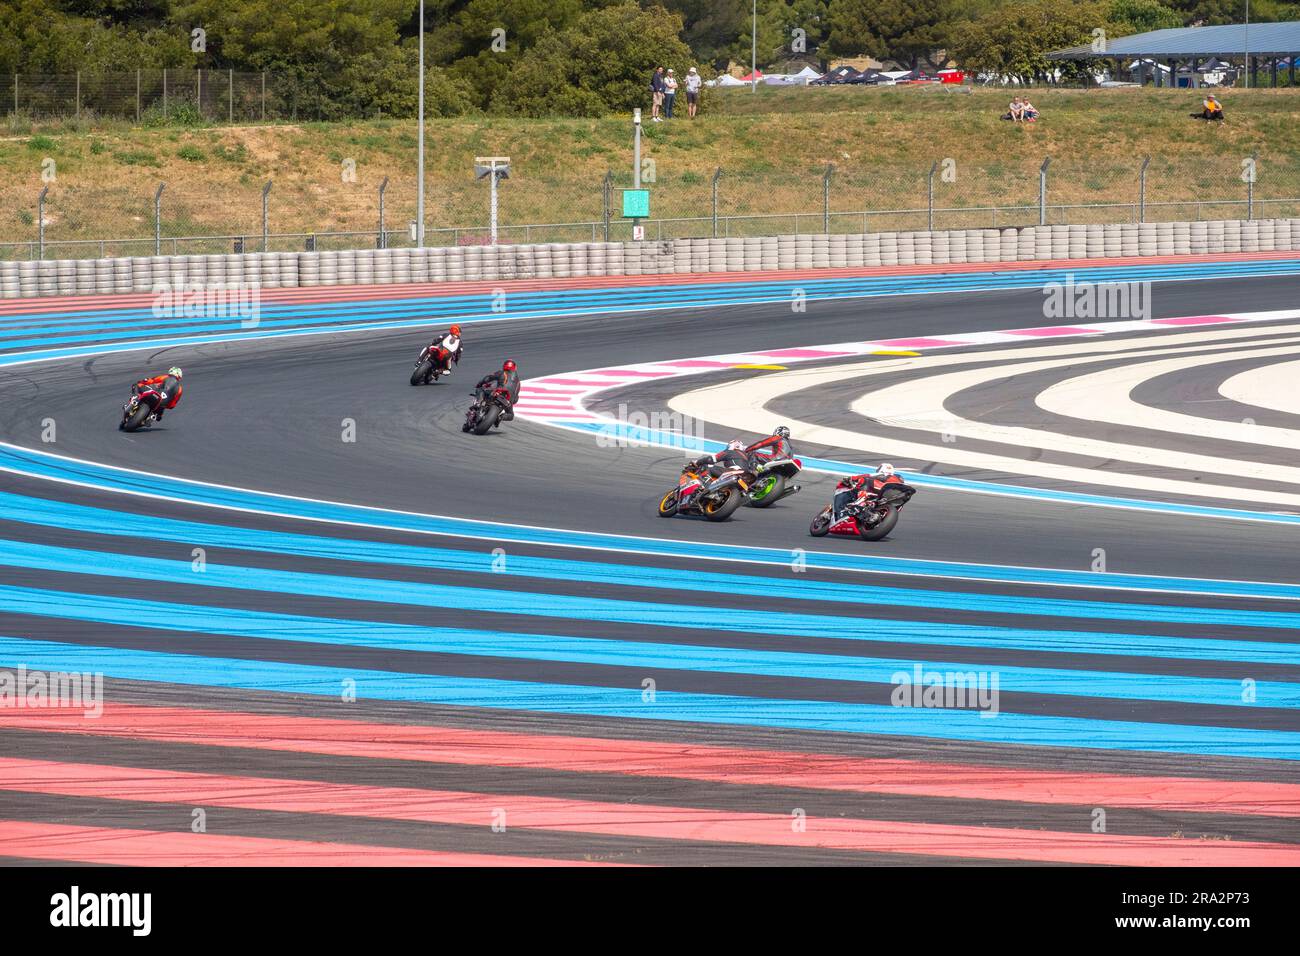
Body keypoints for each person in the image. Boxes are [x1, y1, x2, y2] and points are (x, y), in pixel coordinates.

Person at [833, 463, 903, 517]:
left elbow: (866, 476)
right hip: (894, 495)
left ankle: (859, 502)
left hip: (882, 490)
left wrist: (851, 478)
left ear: (881, 469)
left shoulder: (882, 474)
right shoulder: (898, 477)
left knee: (865, 480)